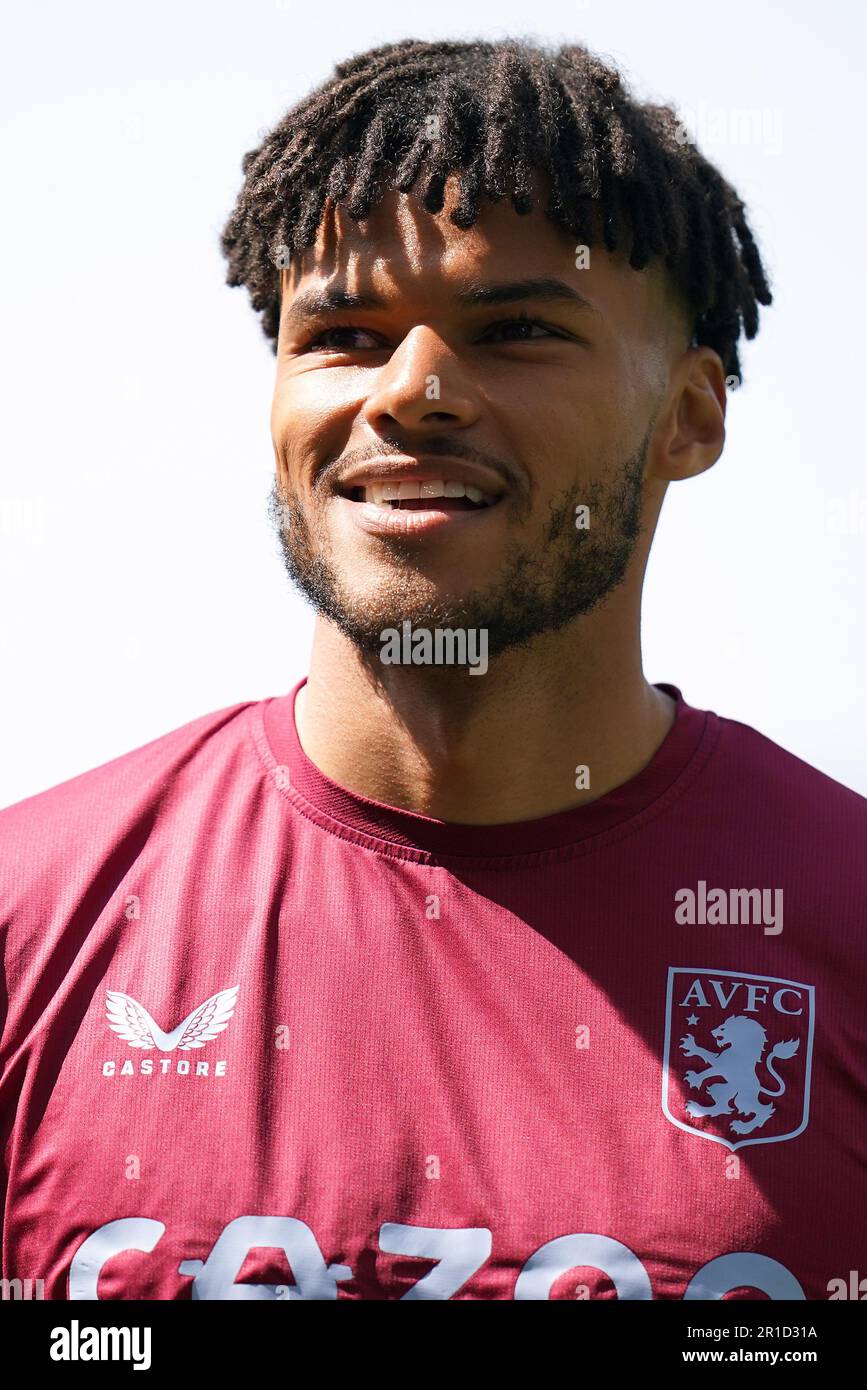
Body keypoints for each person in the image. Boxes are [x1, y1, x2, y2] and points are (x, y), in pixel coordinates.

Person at [1, 37, 865, 1302]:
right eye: (343, 334)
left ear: (690, 416)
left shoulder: (839, 920)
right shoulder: (34, 923)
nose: (410, 393)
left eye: (514, 329)